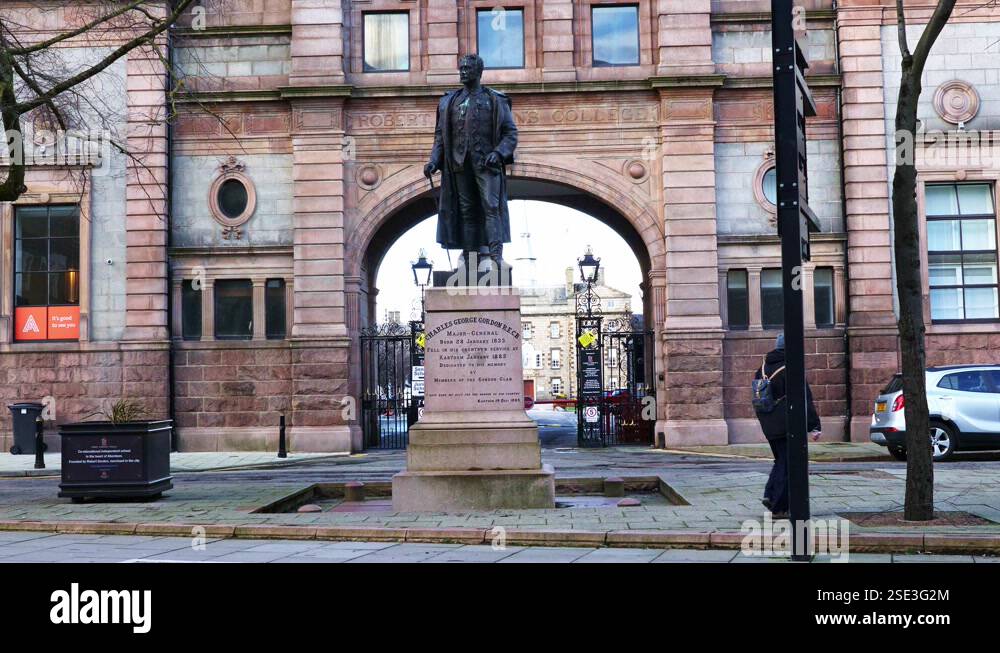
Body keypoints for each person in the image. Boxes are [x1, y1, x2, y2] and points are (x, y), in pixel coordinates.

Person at [424, 53, 518, 273]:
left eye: (468, 68)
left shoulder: (495, 100)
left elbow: (510, 134)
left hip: (486, 164)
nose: (463, 71)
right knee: (466, 211)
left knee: (491, 207)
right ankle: (469, 259)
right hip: (458, 164)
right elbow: (440, 136)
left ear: (479, 72)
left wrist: (499, 153)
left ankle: (496, 258)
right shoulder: (449, 102)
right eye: (462, 68)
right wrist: (433, 161)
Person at [753, 332, 821, 518]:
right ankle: (778, 505)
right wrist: (814, 425)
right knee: (788, 462)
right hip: (787, 422)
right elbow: (804, 397)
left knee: (780, 460)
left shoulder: (764, 366)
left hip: (768, 421)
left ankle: (770, 495)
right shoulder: (791, 367)